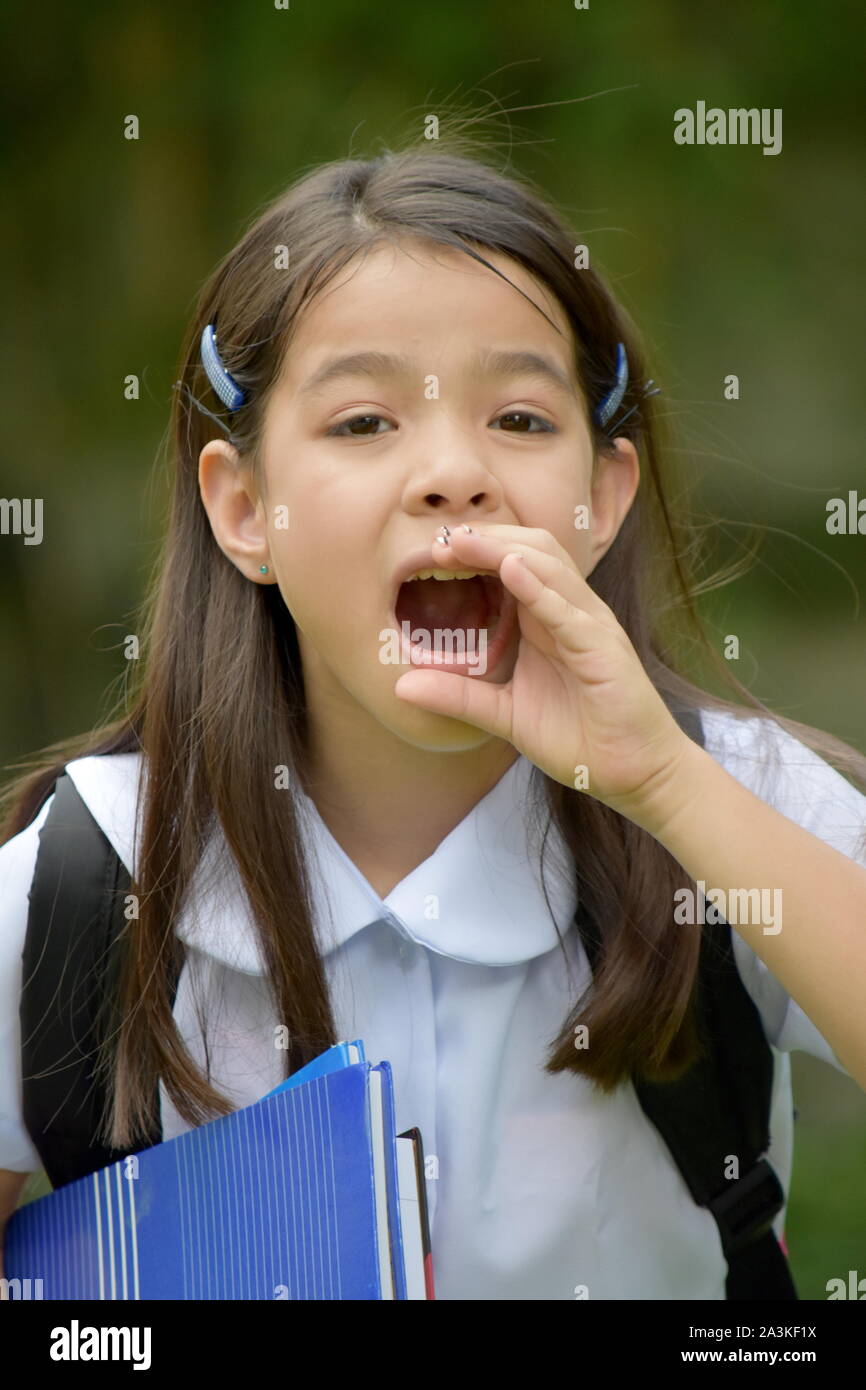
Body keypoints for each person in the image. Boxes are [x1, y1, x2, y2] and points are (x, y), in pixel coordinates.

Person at [2, 137, 865, 1300]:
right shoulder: (82, 887)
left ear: (600, 499)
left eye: (517, 418)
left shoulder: (729, 800)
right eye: (362, 423)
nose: (452, 471)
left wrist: (664, 785)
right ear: (244, 507)